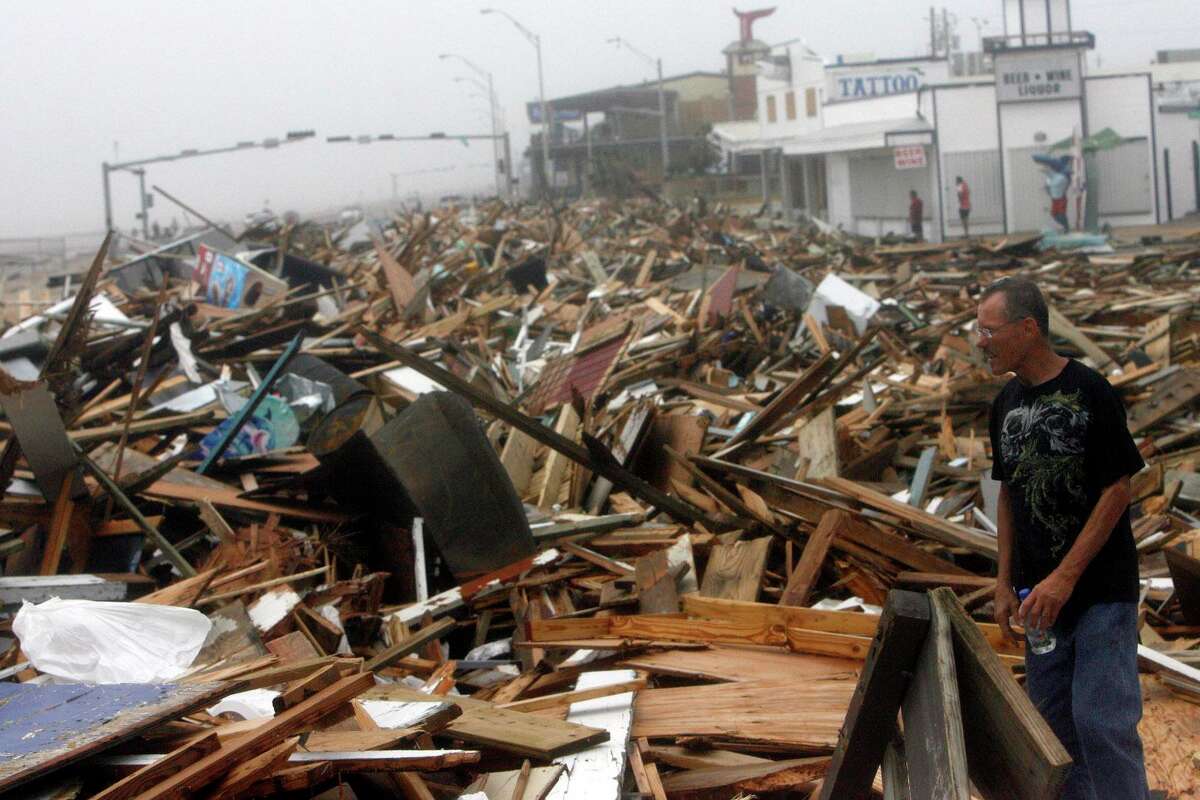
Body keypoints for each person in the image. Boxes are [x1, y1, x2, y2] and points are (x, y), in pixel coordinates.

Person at [979, 277, 1149, 800]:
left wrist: (1064, 578)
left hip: (1099, 592)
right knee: (1053, 734)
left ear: (1028, 329)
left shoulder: (1089, 390)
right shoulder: (1004, 403)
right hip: (1038, 604)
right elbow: (1007, 496)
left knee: (1101, 722)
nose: (980, 340)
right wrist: (1005, 582)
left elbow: (1117, 490)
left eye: (989, 329)